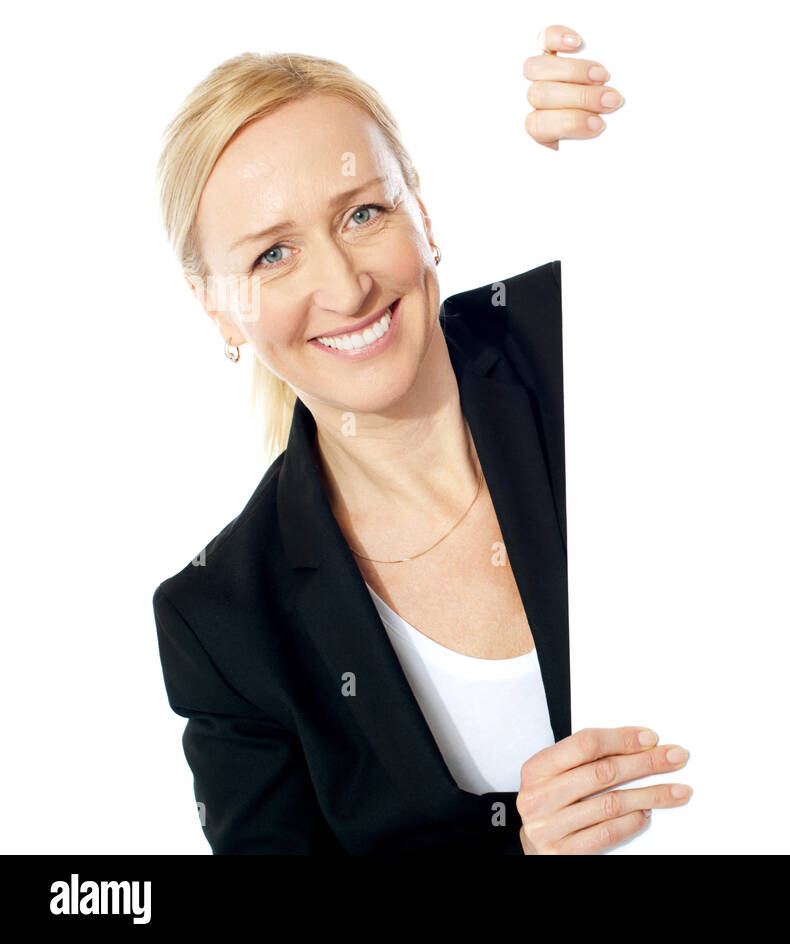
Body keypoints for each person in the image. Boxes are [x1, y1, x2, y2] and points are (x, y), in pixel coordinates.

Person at [152, 25, 692, 854]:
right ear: (217, 308)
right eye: (273, 256)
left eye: (364, 211)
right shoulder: (224, 622)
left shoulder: (583, 330)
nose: (343, 284)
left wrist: (646, 118)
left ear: (423, 213)